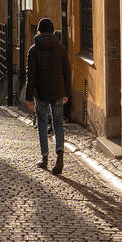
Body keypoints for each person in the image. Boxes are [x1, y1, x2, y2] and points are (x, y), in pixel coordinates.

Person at [25, 17, 71, 175]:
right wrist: (67, 93)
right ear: (52, 31)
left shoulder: (33, 50)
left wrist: (29, 98)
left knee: (42, 124)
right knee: (58, 123)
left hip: (41, 93)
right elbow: (66, 72)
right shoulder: (61, 49)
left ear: (38, 31)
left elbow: (30, 76)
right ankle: (60, 155)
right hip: (58, 91)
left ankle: (44, 157)